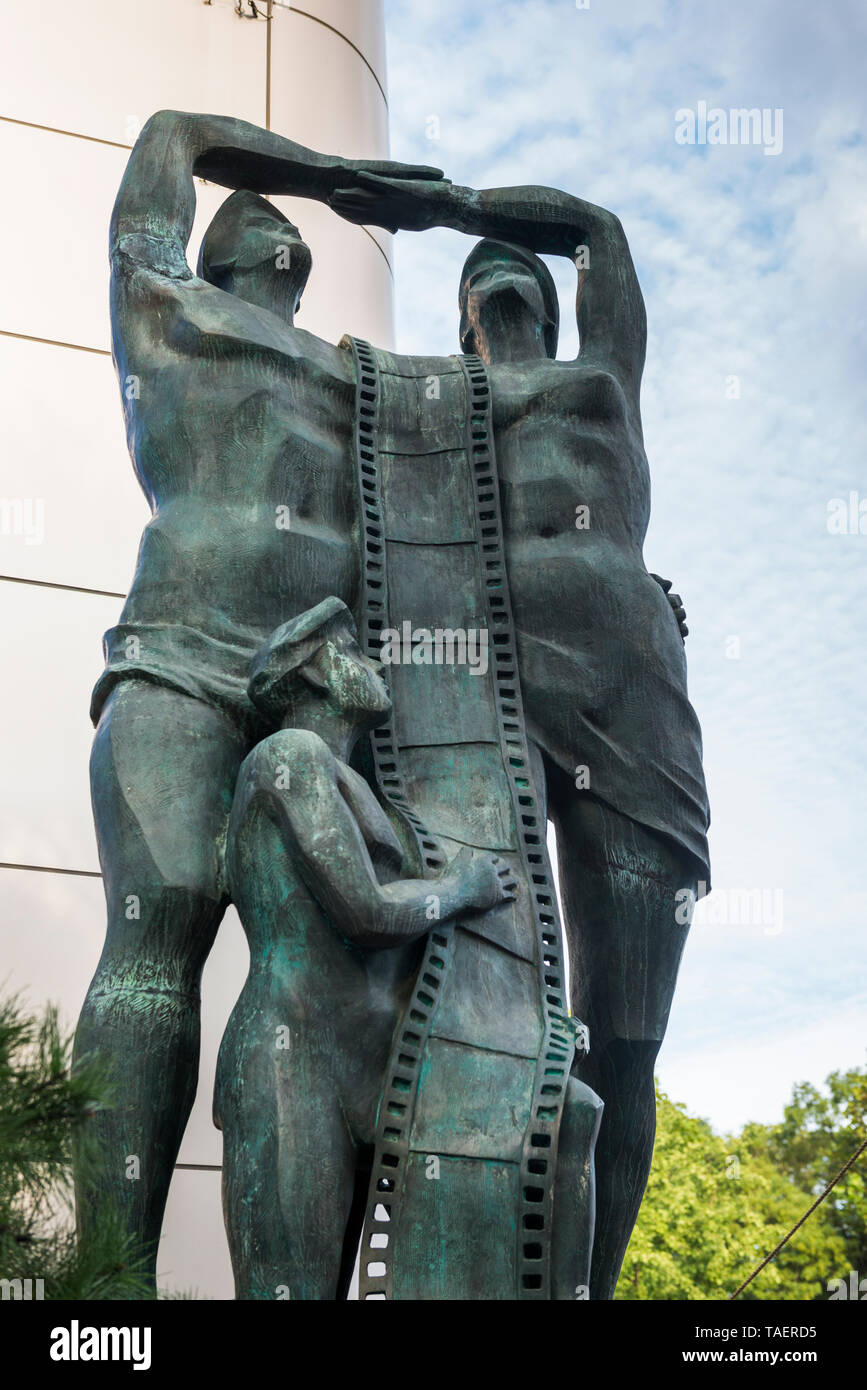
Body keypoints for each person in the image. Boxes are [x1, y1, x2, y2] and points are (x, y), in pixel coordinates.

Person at [73, 111, 443, 1285]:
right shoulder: (164, 312)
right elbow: (171, 134)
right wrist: (334, 172)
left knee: (316, 992)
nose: (278, 229)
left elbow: (460, 535)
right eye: (267, 219)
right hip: (179, 664)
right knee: (155, 942)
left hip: (316, 701)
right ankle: (109, 1288)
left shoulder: (356, 383)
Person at [327, 173, 712, 1298]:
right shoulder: (422, 406)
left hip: (632, 699)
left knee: (623, 1038)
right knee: (430, 993)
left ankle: (588, 1283)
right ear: (459, 322)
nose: (501, 274)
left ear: (552, 306)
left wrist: (445, 205)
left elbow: (598, 230)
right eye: (476, 277)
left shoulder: (607, 379)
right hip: (466, 693)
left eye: (516, 266)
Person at [216, 597, 526, 1298]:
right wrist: (459, 888)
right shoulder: (288, 756)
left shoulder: (361, 788)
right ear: (317, 671)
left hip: (372, 1070)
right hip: (292, 1062)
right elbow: (363, 912)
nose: (373, 664)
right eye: (353, 651)